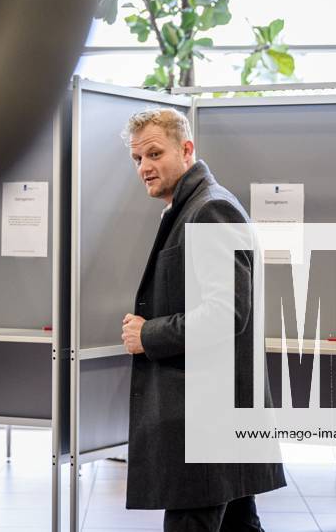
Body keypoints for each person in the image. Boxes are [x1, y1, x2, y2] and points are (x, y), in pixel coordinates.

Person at [120, 108, 285, 532]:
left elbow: (226, 313)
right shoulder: (190, 208)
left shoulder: (210, 210)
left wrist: (147, 333)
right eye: (138, 159)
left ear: (187, 149)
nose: (145, 167)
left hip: (206, 422)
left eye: (154, 154)